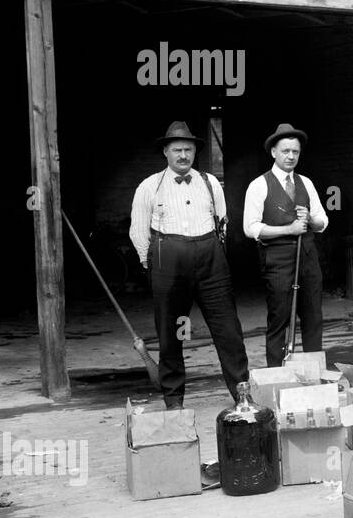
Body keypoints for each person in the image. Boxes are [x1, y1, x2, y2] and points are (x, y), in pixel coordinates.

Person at [129, 121, 249, 407]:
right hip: (167, 263)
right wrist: (154, 264)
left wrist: (212, 255)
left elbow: (222, 222)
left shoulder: (210, 184)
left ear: (195, 152)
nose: (183, 155)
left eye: (188, 150)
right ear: (166, 152)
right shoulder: (149, 186)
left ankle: (243, 395)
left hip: (210, 260)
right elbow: (138, 230)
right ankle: (174, 401)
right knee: (170, 334)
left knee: (229, 331)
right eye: (177, 150)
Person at [243, 124, 328, 367]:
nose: (291, 156)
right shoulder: (259, 185)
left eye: (295, 152)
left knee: (313, 319)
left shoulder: (306, 183)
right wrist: (288, 230)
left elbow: (323, 222)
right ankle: (277, 377)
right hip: (277, 260)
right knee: (279, 320)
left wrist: (310, 218)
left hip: (308, 258)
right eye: (285, 151)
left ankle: (314, 376)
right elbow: (250, 228)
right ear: (273, 152)